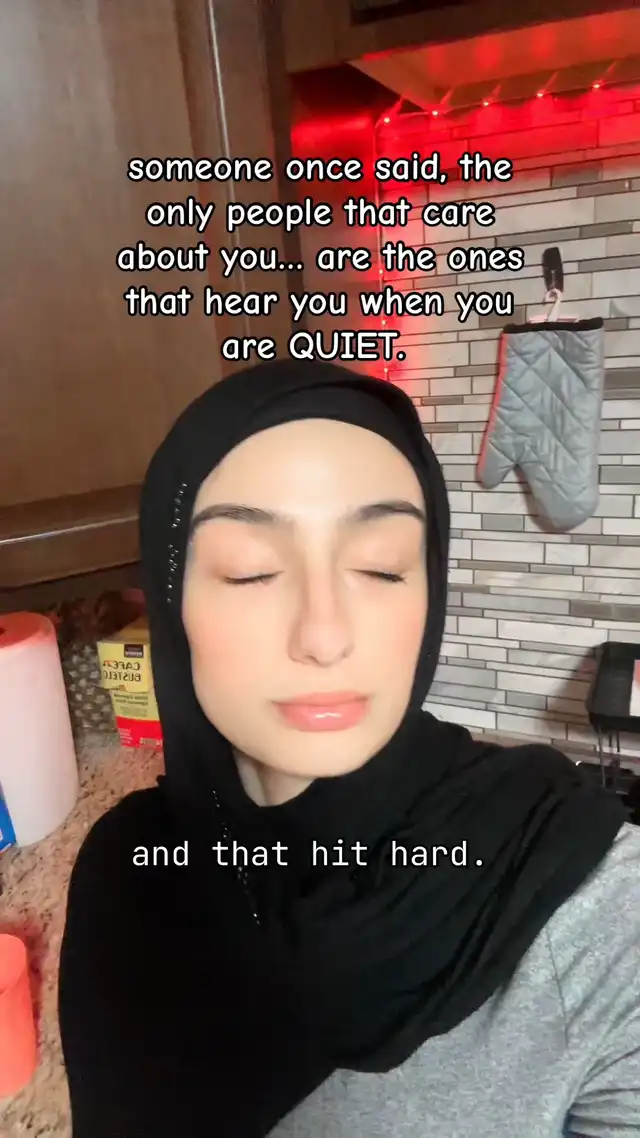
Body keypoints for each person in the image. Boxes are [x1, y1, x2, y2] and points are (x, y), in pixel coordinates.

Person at [58, 360, 640, 1138]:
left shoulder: (595, 911)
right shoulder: (126, 871)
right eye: (250, 571)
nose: (325, 635)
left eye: (381, 566)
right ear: (171, 604)